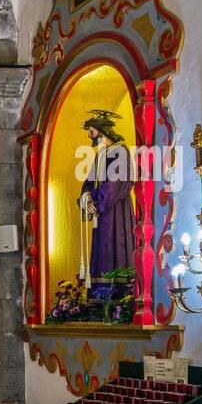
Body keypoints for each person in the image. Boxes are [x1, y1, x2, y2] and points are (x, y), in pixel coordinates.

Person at [78, 109, 135, 281]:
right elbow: (89, 182)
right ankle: (100, 298)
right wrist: (87, 199)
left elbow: (115, 183)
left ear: (101, 131)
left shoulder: (120, 152)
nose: (89, 135)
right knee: (101, 251)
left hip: (115, 211)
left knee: (114, 247)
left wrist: (97, 201)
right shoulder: (101, 154)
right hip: (100, 212)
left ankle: (119, 299)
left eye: (91, 131)